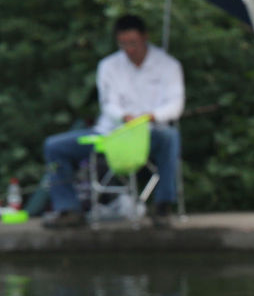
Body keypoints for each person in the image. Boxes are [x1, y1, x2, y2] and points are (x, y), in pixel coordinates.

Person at [42, 14, 184, 228]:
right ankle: (68, 209)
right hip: (110, 134)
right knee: (55, 146)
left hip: (149, 134)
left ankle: (163, 206)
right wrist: (124, 117)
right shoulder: (108, 66)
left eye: (133, 43)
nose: (129, 49)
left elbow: (175, 105)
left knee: (170, 137)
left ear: (145, 37)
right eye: (123, 43)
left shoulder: (168, 65)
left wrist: (149, 117)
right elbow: (108, 104)